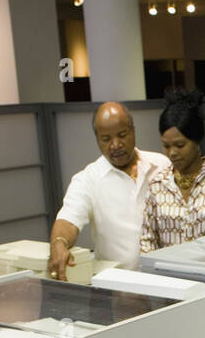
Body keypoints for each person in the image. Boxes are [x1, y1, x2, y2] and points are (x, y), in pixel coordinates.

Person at [48, 102, 169, 279]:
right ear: (97, 139)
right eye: (106, 139)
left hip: (168, 277)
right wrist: (59, 244)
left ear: (133, 130)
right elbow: (68, 219)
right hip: (119, 285)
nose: (115, 145)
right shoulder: (88, 179)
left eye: (122, 135)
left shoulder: (161, 165)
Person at [140, 87, 205, 251]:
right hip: (167, 273)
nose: (172, 153)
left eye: (180, 145)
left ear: (197, 140)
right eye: (166, 146)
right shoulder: (157, 184)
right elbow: (147, 241)